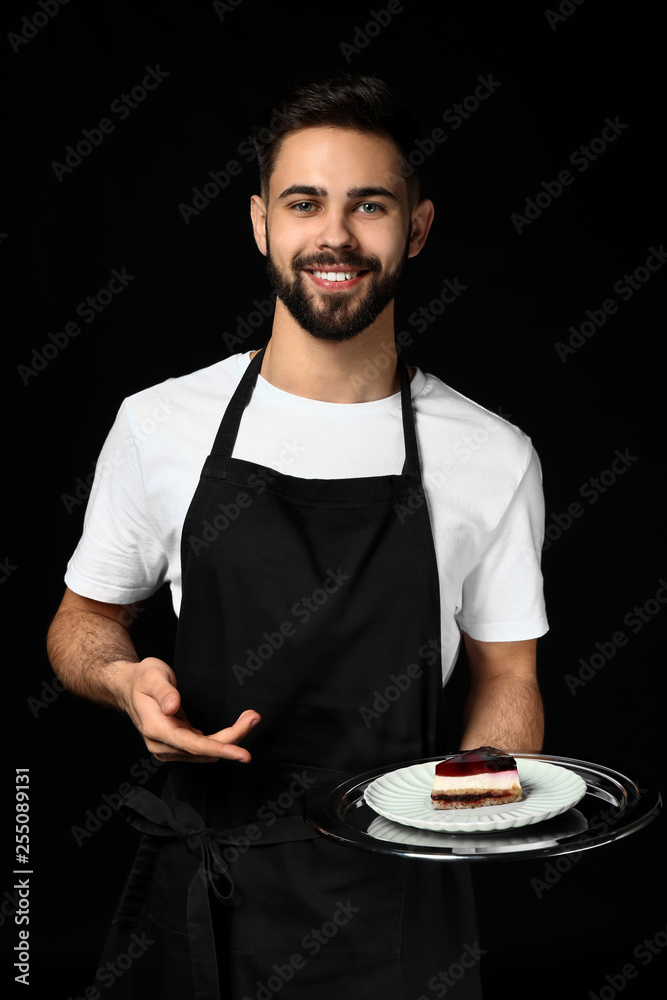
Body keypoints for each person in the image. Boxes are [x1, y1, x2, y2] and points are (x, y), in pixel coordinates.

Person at [47, 72, 547, 999]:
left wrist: (484, 790)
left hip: (397, 904)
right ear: (259, 224)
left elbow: (508, 679)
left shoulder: (492, 455)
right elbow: (81, 623)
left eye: (371, 205)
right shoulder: (160, 424)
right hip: (203, 894)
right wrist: (123, 683)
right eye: (304, 202)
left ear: (419, 227)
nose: (336, 235)